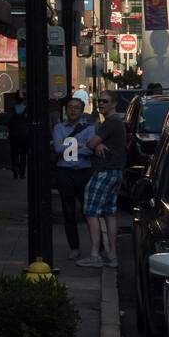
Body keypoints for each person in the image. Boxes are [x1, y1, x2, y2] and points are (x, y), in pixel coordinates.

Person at [79, 91, 126, 267]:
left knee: (91, 212)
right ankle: (112, 255)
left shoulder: (111, 122)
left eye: (105, 101)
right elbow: (96, 142)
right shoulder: (115, 122)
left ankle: (94, 255)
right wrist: (98, 143)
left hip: (104, 171)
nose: (101, 104)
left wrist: (95, 143)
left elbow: (90, 143)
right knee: (109, 213)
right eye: (99, 101)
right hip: (115, 171)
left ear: (114, 103)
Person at [51, 97, 95, 261]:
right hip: (65, 172)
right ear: (66, 109)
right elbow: (57, 148)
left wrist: (68, 145)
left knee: (89, 211)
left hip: (84, 172)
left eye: (77, 107)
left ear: (82, 110)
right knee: (68, 211)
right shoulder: (59, 127)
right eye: (70, 107)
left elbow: (90, 150)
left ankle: (97, 247)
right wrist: (80, 146)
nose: (73, 110)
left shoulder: (89, 129)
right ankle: (74, 247)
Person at [7, 92, 30, 179]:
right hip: (24, 135)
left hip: (14, 135)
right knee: (23, 154)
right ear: (23, 100)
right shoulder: (26, 110)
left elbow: (9, 123)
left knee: (14, 153)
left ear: (15, 100)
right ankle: (22, 173)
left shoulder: (12, 110)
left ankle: (15, 171)